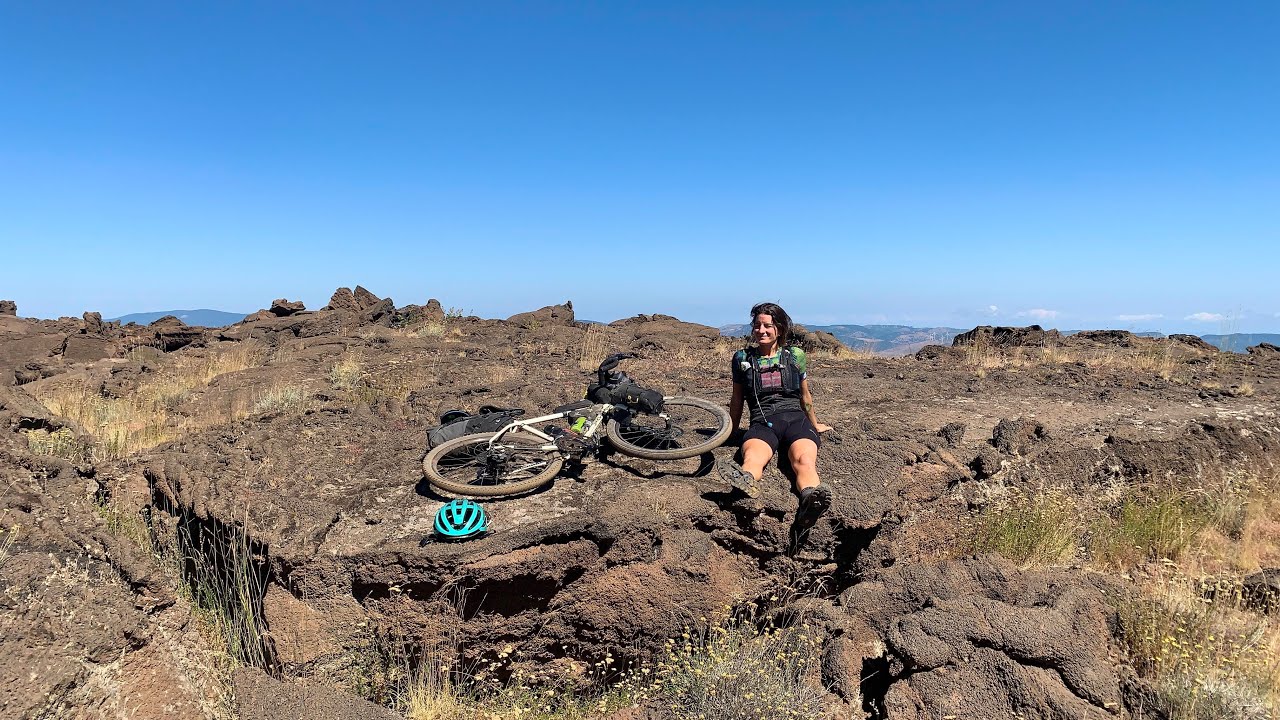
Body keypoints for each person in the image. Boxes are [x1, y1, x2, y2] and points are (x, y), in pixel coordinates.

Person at [722, 302, 833, 530]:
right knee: (752, 457)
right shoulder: (742, 358)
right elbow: (736, 399)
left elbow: (805, 395)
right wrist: (731, 432)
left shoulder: (795, 355)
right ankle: (746, 481)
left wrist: (815, 424)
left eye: (767, 326)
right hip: (763, 422)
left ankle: (809, 501)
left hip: (796, 421)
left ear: (779, 329)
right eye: (757, 325)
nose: (761, 331)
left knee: (804, 461)